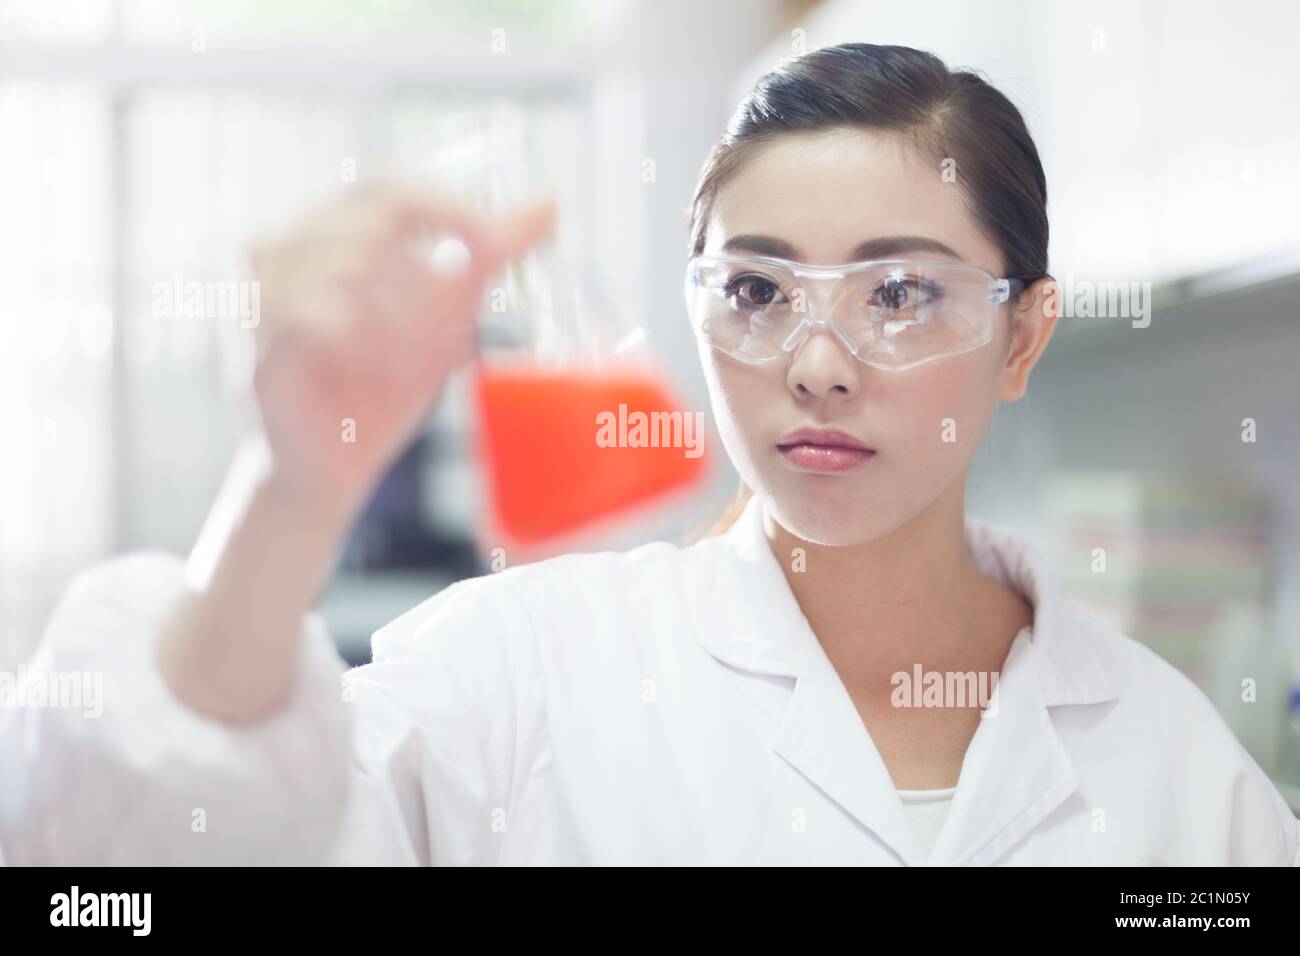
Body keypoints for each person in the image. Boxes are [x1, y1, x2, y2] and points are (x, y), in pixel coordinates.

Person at [2, 43, 1296, 866]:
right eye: (758, 290)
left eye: (900, 293)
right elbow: (124, 869)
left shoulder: (1182, 774)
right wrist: (290, 490)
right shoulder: (520, 675)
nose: (818, 363)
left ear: (1023, 336)